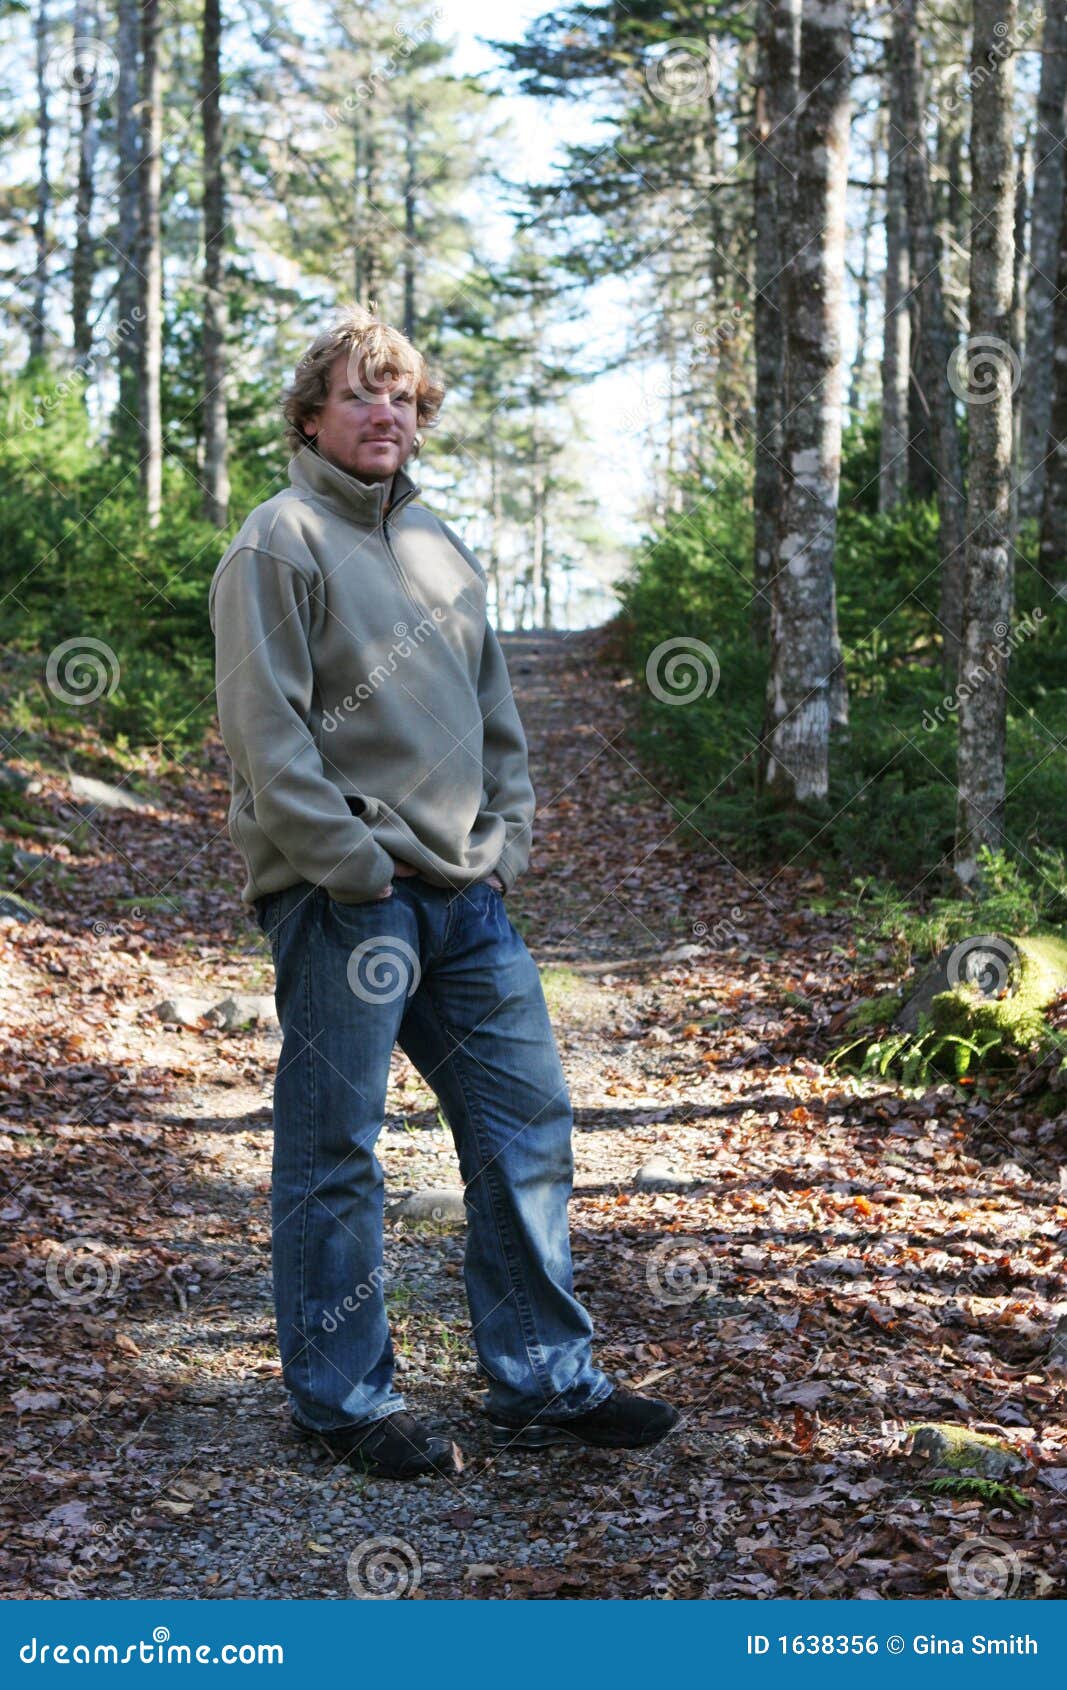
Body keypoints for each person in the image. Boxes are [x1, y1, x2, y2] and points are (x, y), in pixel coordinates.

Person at [208, 305, 678, 1479]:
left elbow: (495, 718)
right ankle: (343, 1400)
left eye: (405, 399)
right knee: (336, 1150)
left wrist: (503, 838)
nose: (386, 414)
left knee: (524, 1126)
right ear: (311, 413)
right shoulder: (278, 541)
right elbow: (265, 740)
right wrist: (353, 866)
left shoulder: (441, 547)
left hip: (466, 901)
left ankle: (541, 1382)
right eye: (362, 394)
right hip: (346, 903)